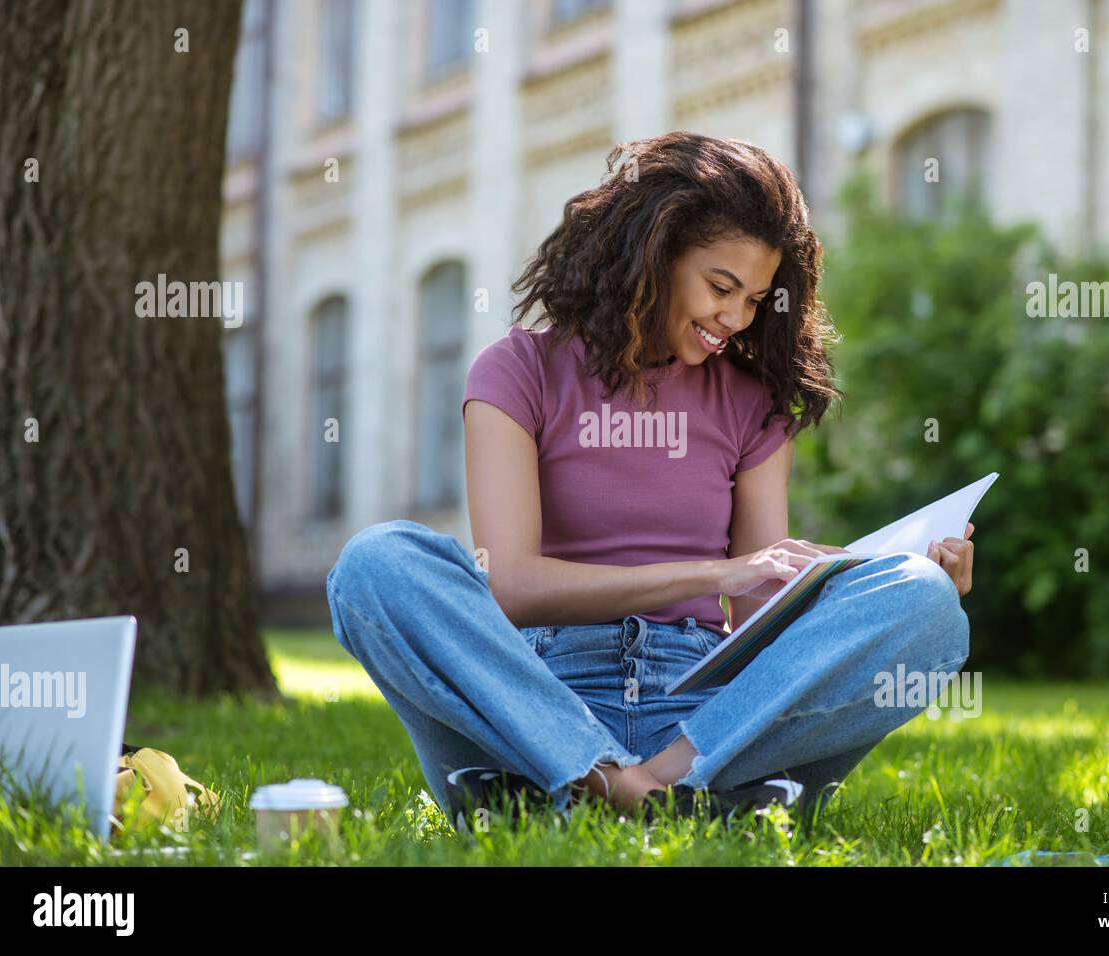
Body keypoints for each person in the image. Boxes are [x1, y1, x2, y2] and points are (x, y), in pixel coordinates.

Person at [326, 132, 974, 830]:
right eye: (720, 287)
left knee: (928, 603)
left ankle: (618, 791)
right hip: (539, 700)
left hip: (702, 718)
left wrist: (879, 571)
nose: (736, 318)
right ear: (653, 255)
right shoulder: (517, 372)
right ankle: (655, 792)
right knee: (377, 563)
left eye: (755, 299)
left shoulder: (750, 403)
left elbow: (755, 617)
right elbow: (511, 586)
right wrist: (711, 573)